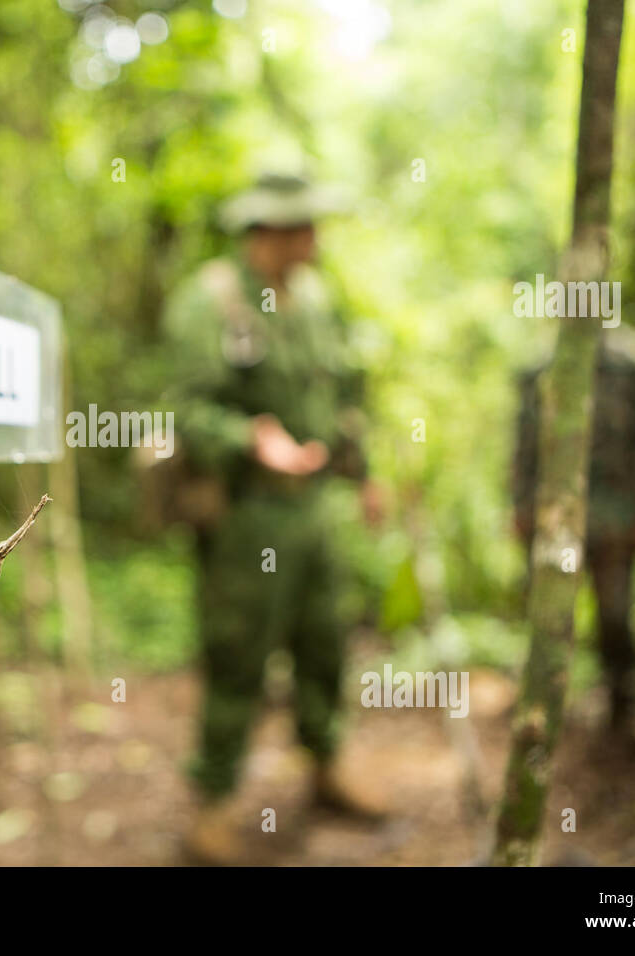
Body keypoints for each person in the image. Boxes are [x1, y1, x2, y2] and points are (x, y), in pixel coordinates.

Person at [161, 173, 382, 865]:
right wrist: (254, 439)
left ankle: (325, 765)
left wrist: (364, 473)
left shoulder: (315, 300)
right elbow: (189, 413)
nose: (314, 240)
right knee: (238, 655)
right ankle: (214, 803)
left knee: (325, 643)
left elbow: (338, 394)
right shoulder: (210, 302)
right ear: (267, 233)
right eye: (301, 227)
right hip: (248, 516)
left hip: (316, 509)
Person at [512, 325, 635, 731]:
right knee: (551, 615)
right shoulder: (541, 366)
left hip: (617, 517)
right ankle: (544, 706)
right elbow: (525, 442)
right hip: (555, 517)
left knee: (616, 614)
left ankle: (623, 706)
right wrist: (520, 505)